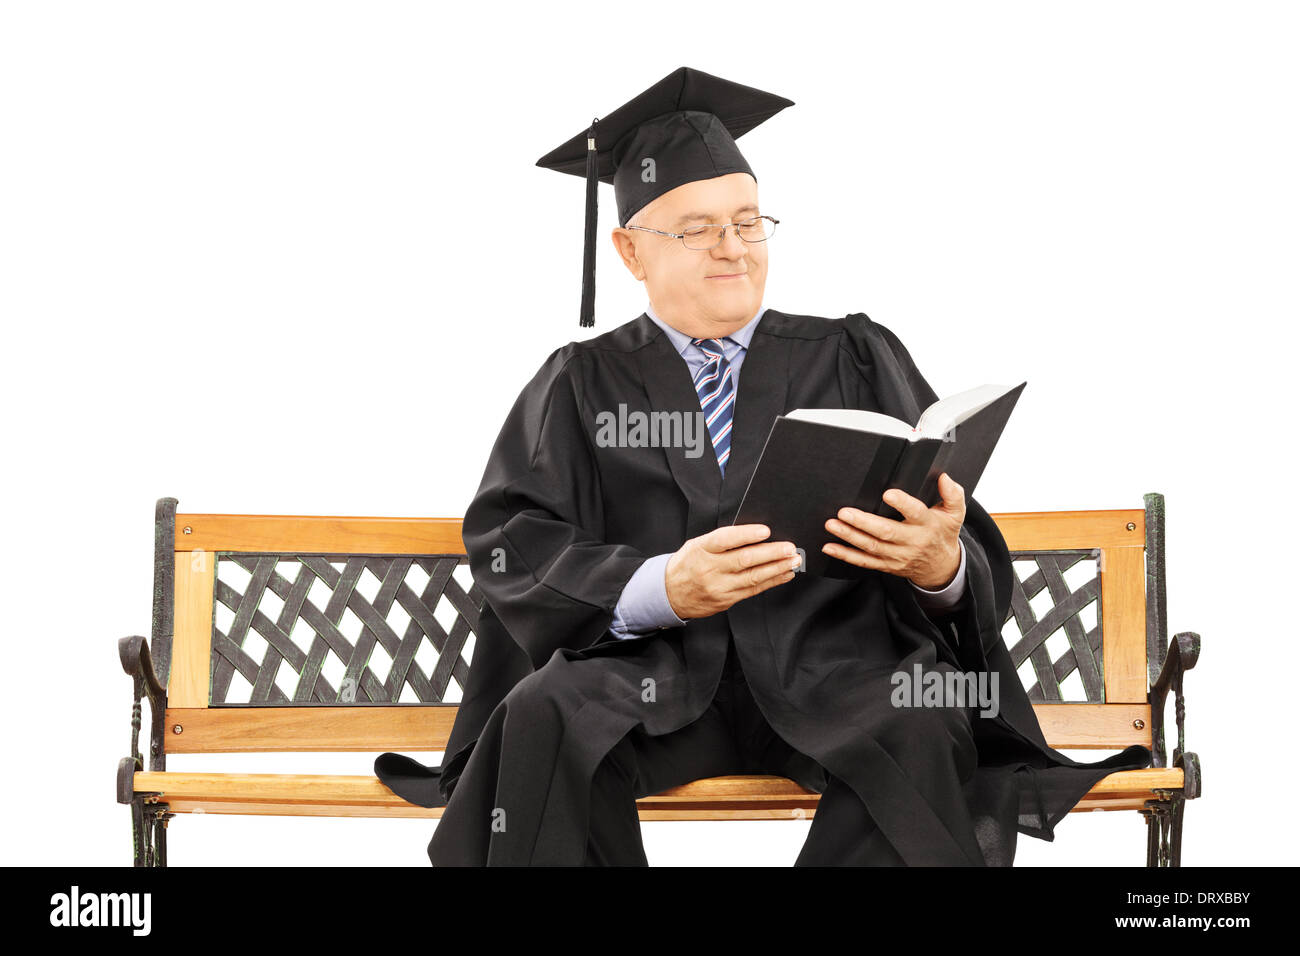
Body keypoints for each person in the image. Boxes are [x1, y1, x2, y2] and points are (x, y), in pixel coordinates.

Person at [375, 66, 1151, 865]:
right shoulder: (580, 383)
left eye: (748, 222)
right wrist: (658, 588)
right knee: (549, 716)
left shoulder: (852, 354)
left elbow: (953, 525)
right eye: (697, 227)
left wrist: (940, 565)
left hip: (835, 674)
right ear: (630, 251)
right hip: (654, 678)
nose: (733, 248)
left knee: (921, 720)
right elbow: (515, 536)